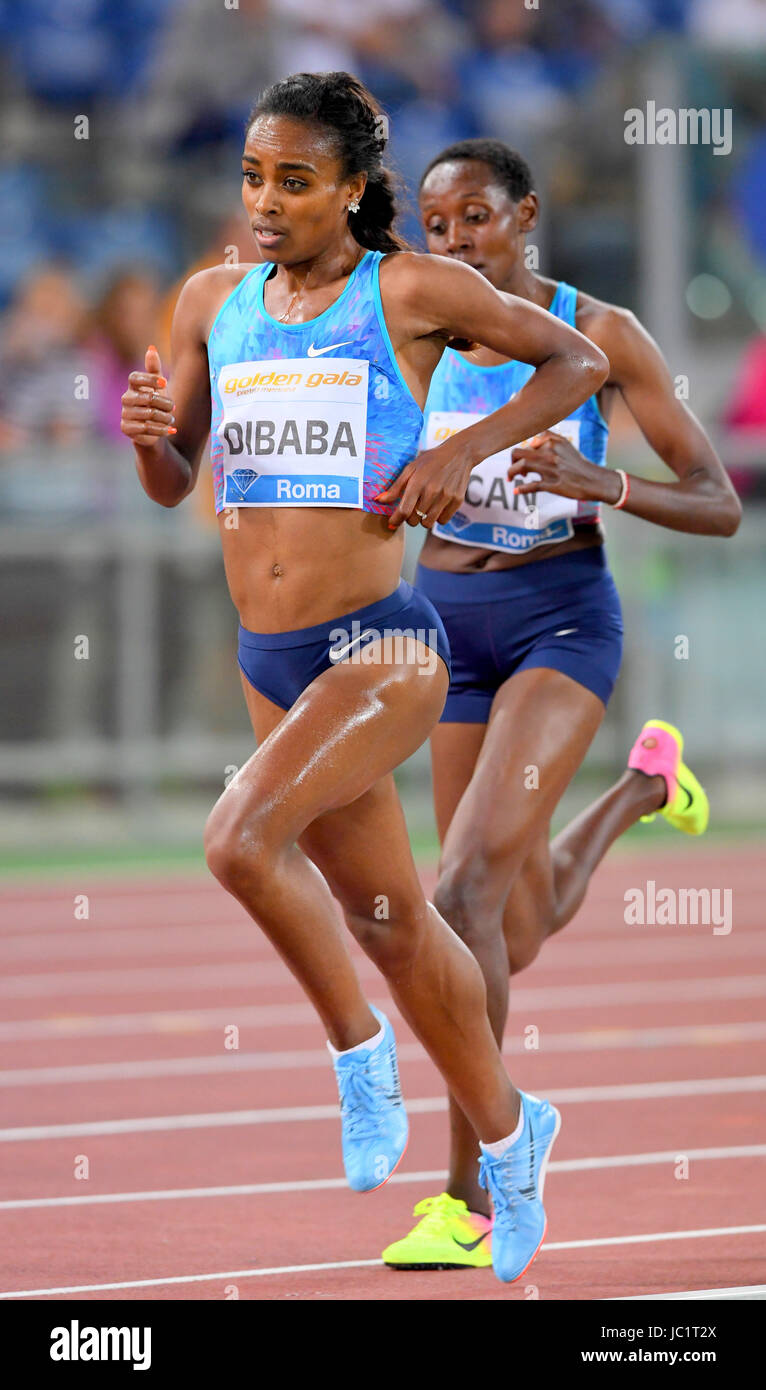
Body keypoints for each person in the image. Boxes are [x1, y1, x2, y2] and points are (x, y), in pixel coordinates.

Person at [120, 74, 609, 1283]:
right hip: (270, 657)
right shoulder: (209, 302)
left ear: (351, 189)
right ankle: (510, 1129)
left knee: (238, 842)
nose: (266, 202)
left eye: (294, 181)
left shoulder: (413, 290)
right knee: (395, 924)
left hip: (385, 646)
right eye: (251, 178)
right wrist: (148, 440)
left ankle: (357, 1057)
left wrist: (457, 448)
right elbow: (176, 481)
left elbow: (578, 359)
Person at [382, 138, 742, 1270]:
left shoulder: (606, 335)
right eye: (435, 227)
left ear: (526, 214)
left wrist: (606, 483)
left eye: (475, 220)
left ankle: (468, 1191)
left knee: (461, 894)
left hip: (559, 625)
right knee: (511, 924)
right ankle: (644, 786)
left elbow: (719, 500)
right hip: (450, 631)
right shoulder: (419, 333)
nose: (455, 245)